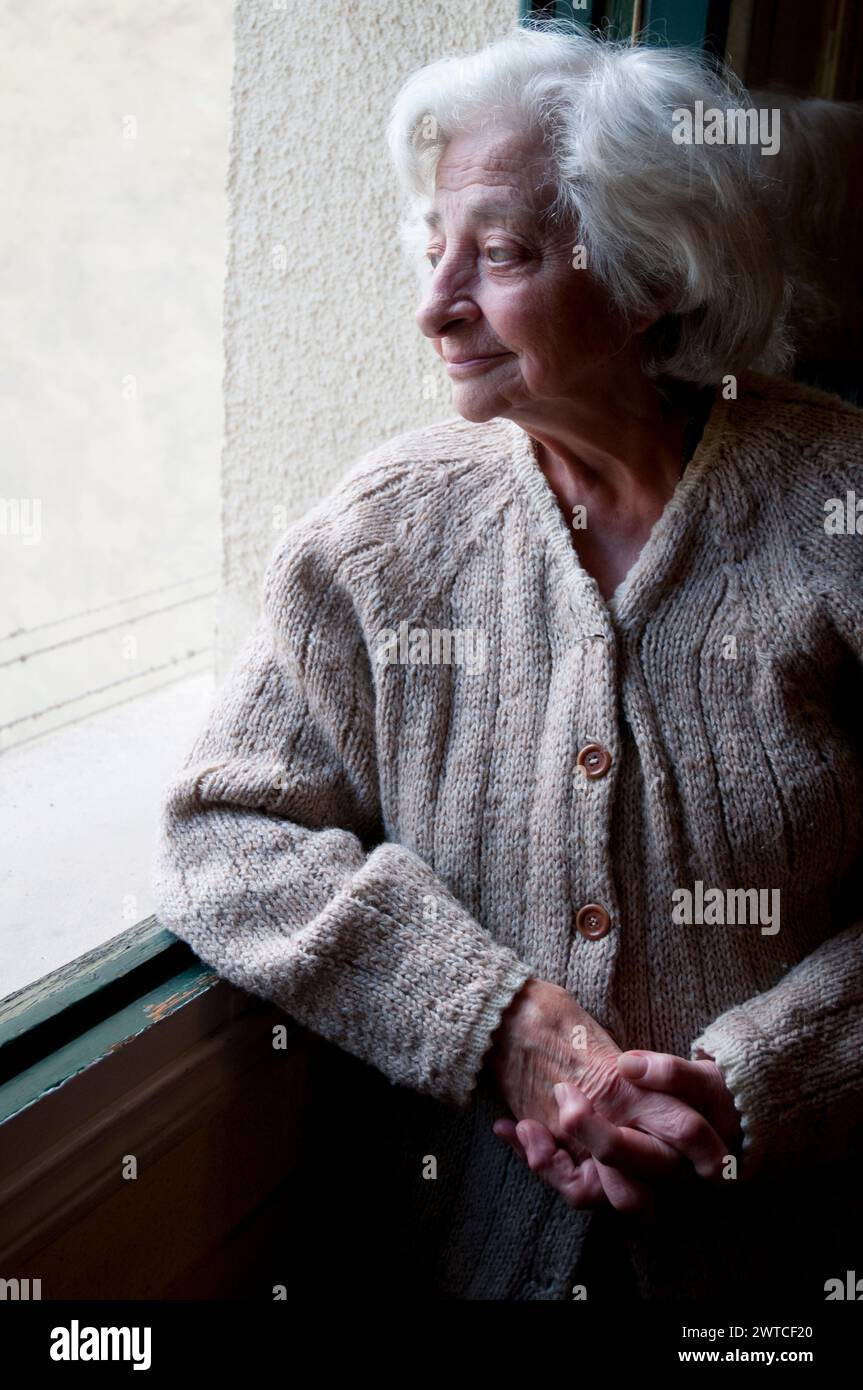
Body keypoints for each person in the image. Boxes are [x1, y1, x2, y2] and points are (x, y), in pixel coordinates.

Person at [152, 21, 863, 1300]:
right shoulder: (381, 534)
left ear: (650, 268)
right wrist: (499, 1020)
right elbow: (222, 834)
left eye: (498, 254)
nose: (435, 304)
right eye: (434, 250)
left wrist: (762, 1082)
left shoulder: (836, 500)